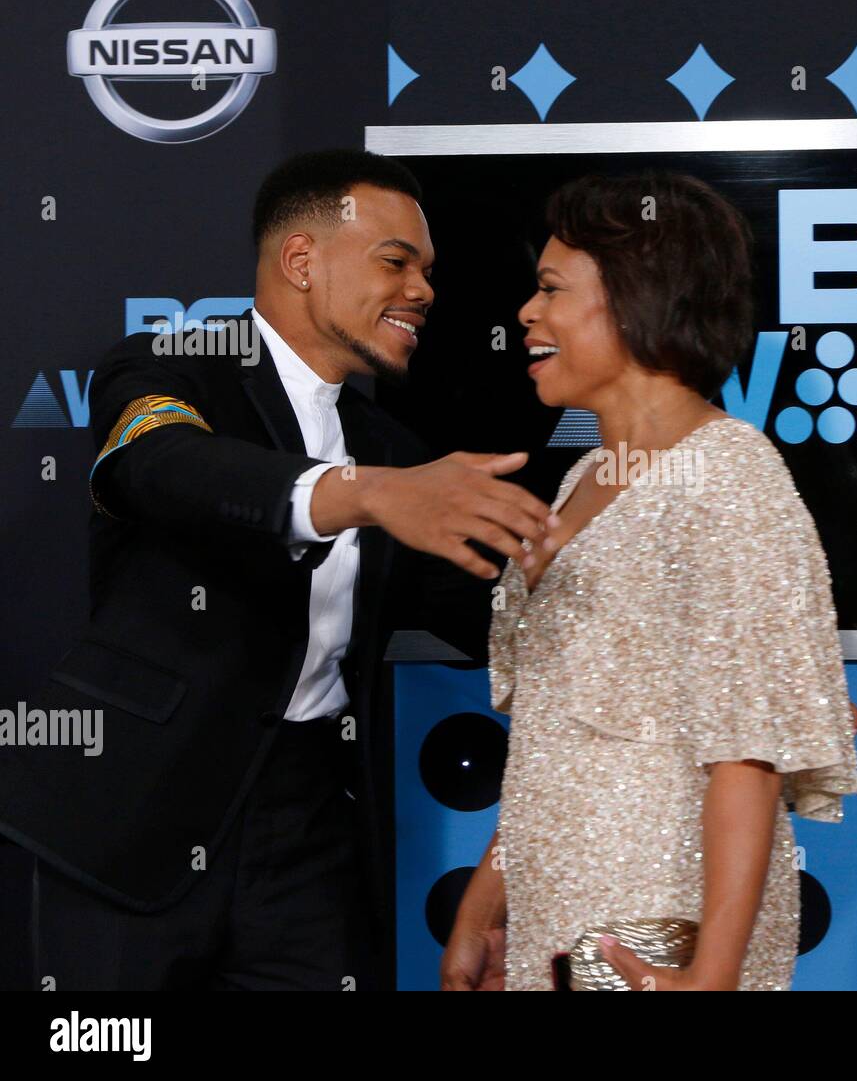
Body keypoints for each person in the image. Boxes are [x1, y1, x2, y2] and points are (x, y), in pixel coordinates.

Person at [0, 149, 557, 990]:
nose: (424, 290)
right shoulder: (170, 367)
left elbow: (483, 613)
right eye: (395, 261)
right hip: (132, 822)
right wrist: (357, 495)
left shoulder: (391, 452)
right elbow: (157, 467)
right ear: (301, 260)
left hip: (309, 837)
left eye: (429, 270)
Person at [442, 170, 857, 991]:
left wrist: (712, 977)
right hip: (557, 921)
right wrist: (482, 912)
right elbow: (555, 748)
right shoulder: (582, 479)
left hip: (657, 927)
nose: (528, 313)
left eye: (552, 288)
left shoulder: (732, 477)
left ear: (638, 297)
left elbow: (748, 753)